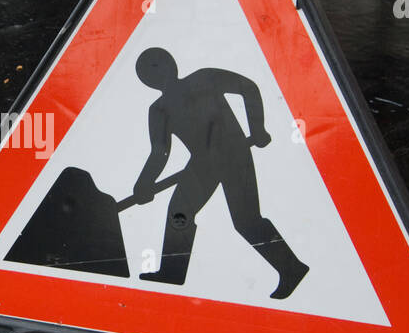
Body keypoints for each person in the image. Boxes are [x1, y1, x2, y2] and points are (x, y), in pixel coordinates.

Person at [131, 47, 309, 299]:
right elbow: (160, 152)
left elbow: (248, 87)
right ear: (145, 81)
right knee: (178, 212)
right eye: (149, 71)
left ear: (172, 63)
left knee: (246, 221)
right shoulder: (159, 109)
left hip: (233, 153)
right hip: (202, 163)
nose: (157, 73)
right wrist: (144, 184)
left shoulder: (205, 78)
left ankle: (291, 268)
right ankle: (172, 271)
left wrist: (257, 128)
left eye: (159, 64)